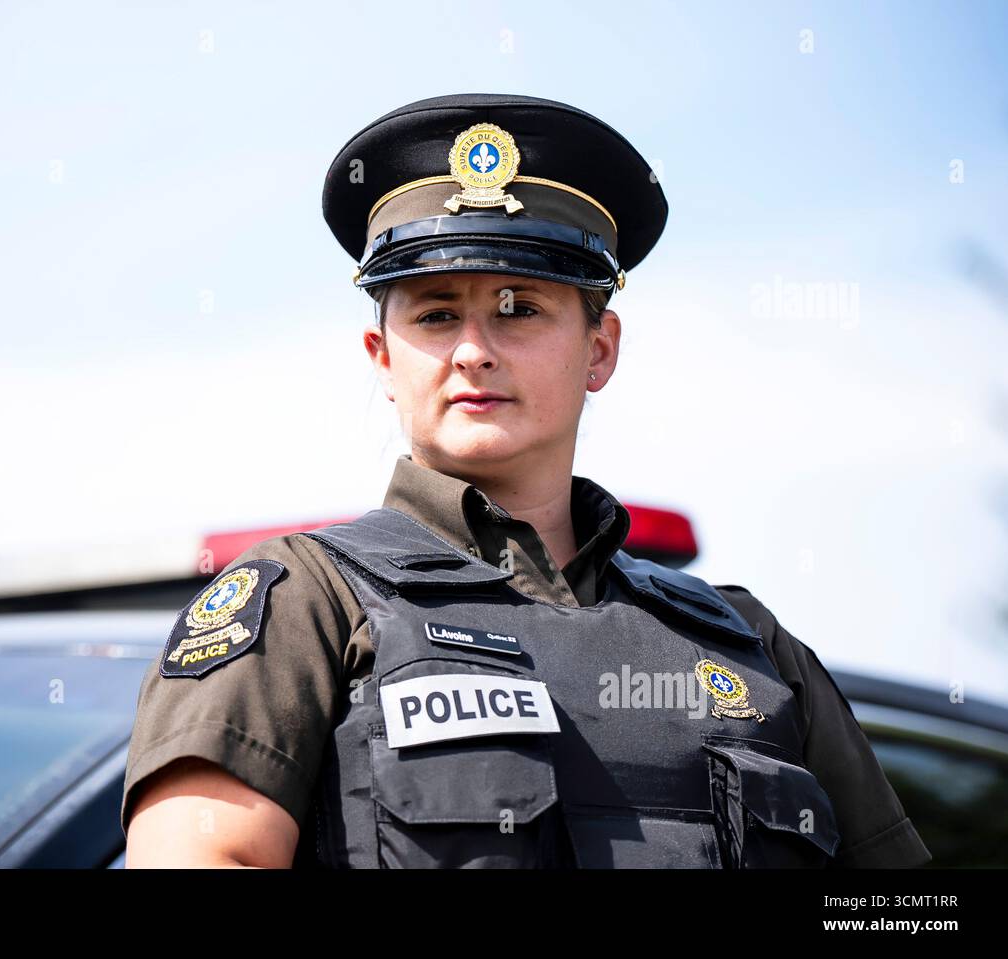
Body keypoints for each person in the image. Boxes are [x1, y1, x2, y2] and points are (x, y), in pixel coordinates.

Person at [120, 93, 932, 869]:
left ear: (600, 348)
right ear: (385, 363)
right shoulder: (305, 606)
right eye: (436, 315)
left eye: (519, 308)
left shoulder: (751, 646)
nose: (474, 348)